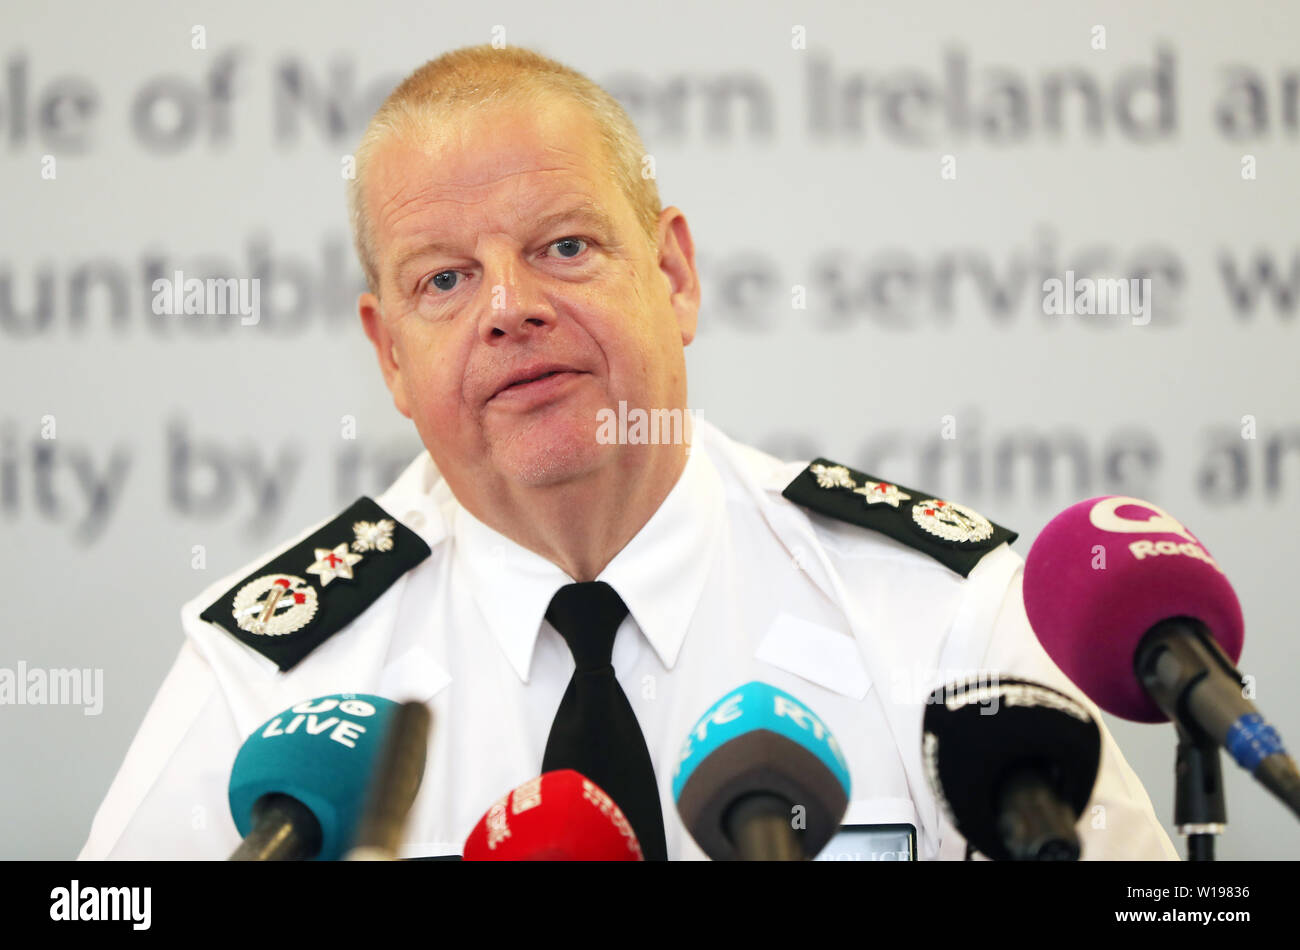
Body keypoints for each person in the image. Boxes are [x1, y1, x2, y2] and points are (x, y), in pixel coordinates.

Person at [79, 44, 1178, 861]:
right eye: (444, 280)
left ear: (674, 276)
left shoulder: (942, 615)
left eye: (563, 246)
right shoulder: (269, 685)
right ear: (390, 354)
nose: (508, 309)